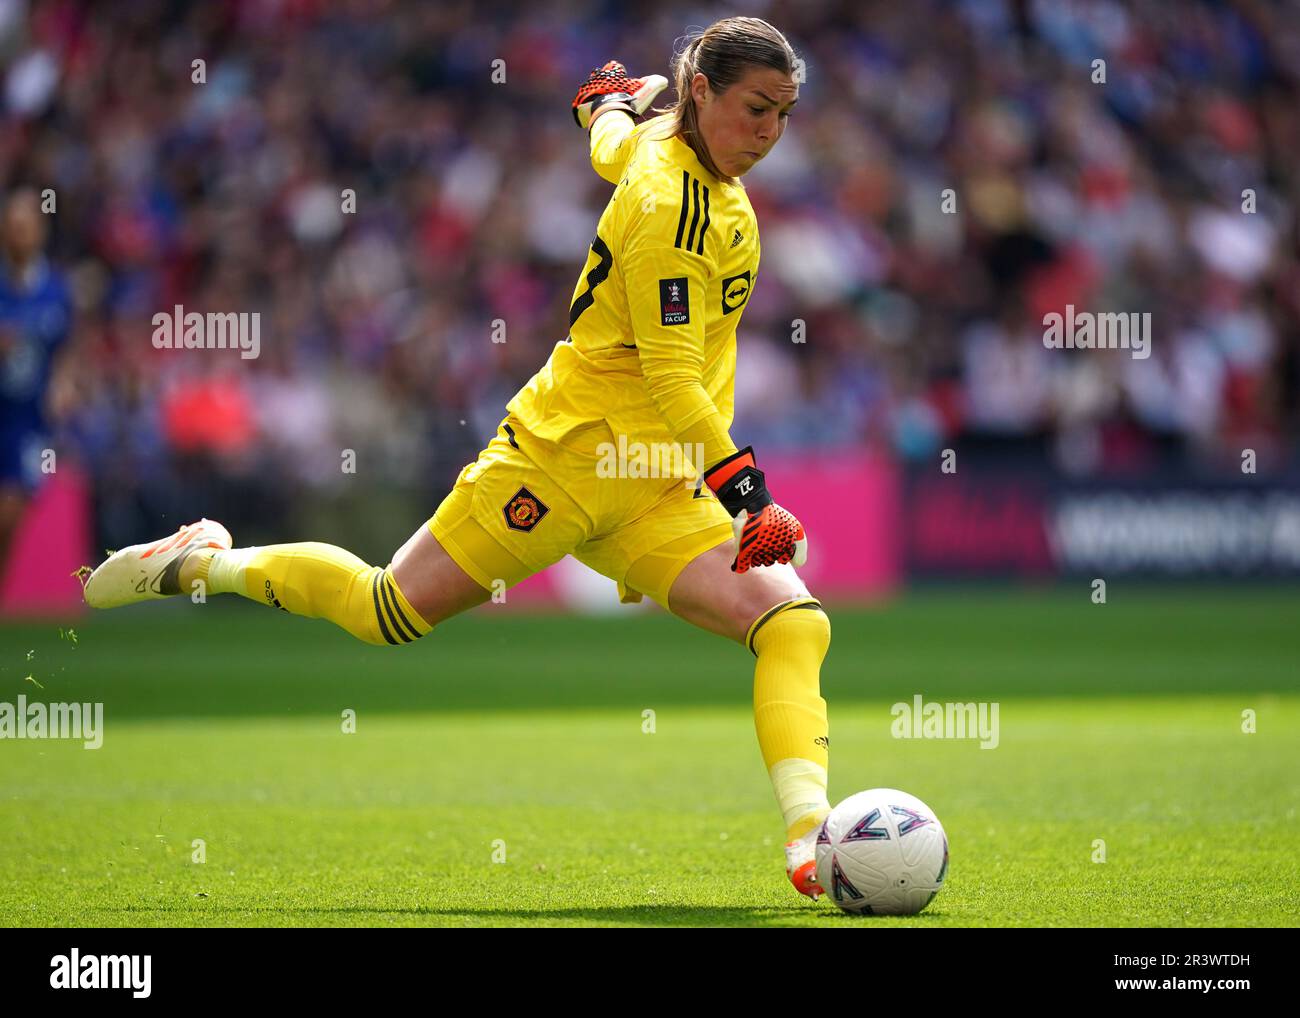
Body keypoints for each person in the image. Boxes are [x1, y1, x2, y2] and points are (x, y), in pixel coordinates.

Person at [82, 16, 832, 900]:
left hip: (657, 487)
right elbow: (671, 376)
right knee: (386, 609)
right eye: (756, 110)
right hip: (559, 461)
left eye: (784, 114)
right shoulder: (674, 202)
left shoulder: (675, 151)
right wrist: (749, 497)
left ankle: (813, 841)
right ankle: (203, 561)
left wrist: (600, 108)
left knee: (794, 622)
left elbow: (614, 148)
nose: (770, 135)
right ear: (701, 91)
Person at [1, 187, 74, 578]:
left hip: (28, 421)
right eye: (12, 226)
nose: (18, 234)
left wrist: (64, 383)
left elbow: (67, 349)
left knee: (11, 514)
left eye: (26, 226)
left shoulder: (57, 290)